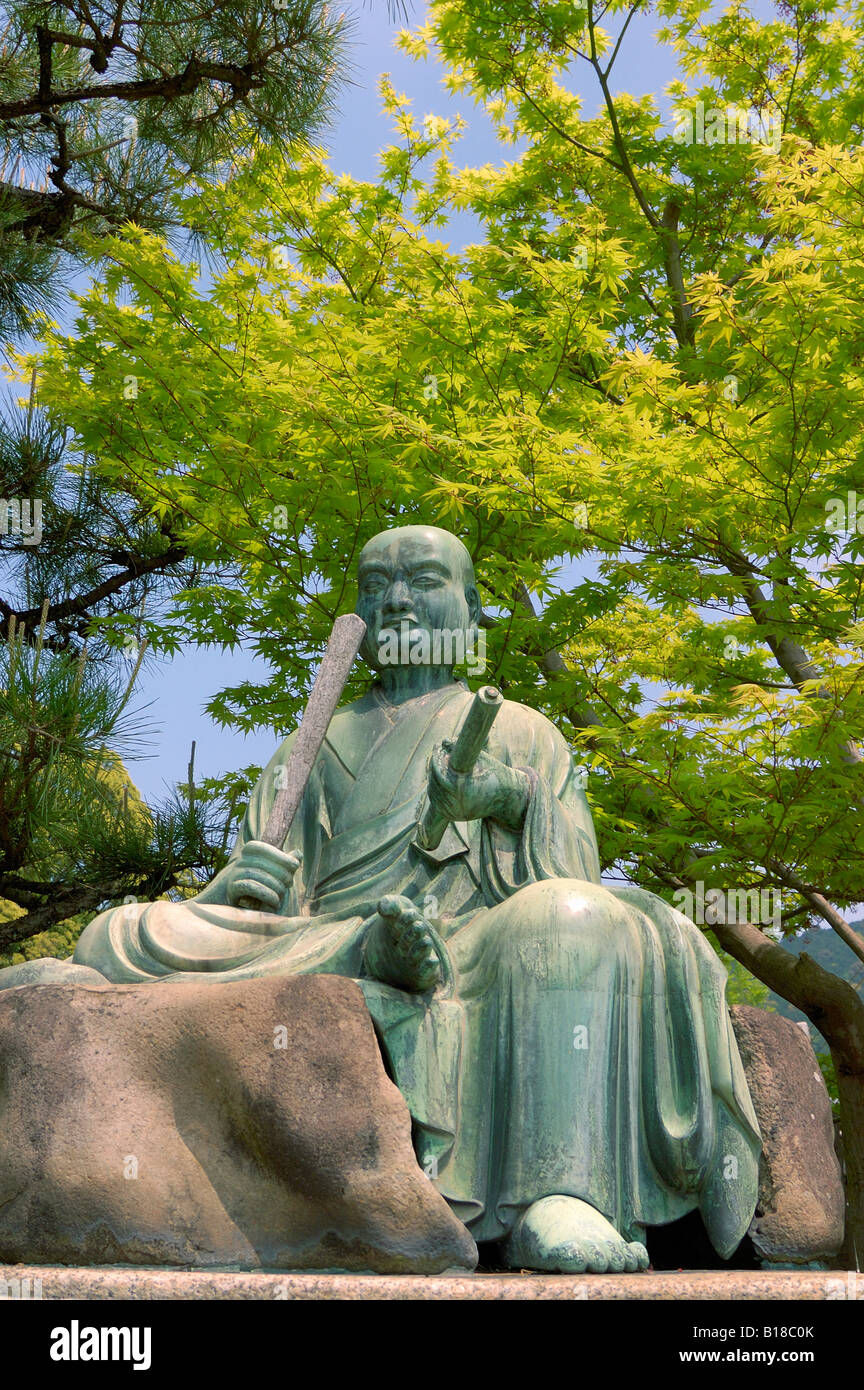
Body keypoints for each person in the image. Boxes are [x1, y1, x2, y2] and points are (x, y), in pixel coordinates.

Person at [7, 524, 761, 1272]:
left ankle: (557, 1194)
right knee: (120, 930)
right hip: (326, 939)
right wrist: (235, 889)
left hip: (472, 945)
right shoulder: (314, 739)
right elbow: (269, 912)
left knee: (575, 917)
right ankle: (378, 951)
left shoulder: (524, 733)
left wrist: (507, 801)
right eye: (377, 585)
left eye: (425, 581)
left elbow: (573, 873)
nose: (397, 599)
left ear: (471, 613)